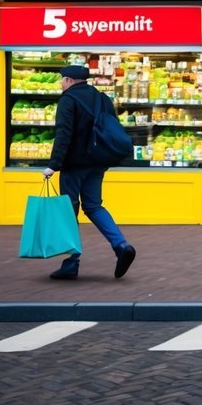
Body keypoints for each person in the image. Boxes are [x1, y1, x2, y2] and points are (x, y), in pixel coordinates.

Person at [42, 65, 136, 281]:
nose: (60, 84)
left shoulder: (68, 100)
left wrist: (54, 165)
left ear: (68, 80)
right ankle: (122, 245)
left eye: (62, 80)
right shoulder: (101, 97)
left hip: (75, 165)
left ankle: (71, 264)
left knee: (69, 210)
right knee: (93, 206)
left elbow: (63, 134)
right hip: (98, 161)